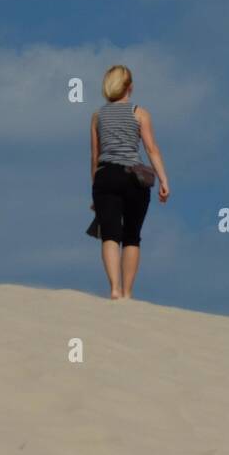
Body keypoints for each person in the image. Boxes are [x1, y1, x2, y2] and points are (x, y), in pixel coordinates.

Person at [89, 65, 170, 299]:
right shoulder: (139, 113)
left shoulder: (97, 116)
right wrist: (164, 180)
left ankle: (114, 288)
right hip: (134, 177)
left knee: (110, 235)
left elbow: (95, 157)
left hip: (105, 177)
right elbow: (152, 149)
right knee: (132, 236)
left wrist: (95, 192)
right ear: (130, 87)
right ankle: (127, 293)